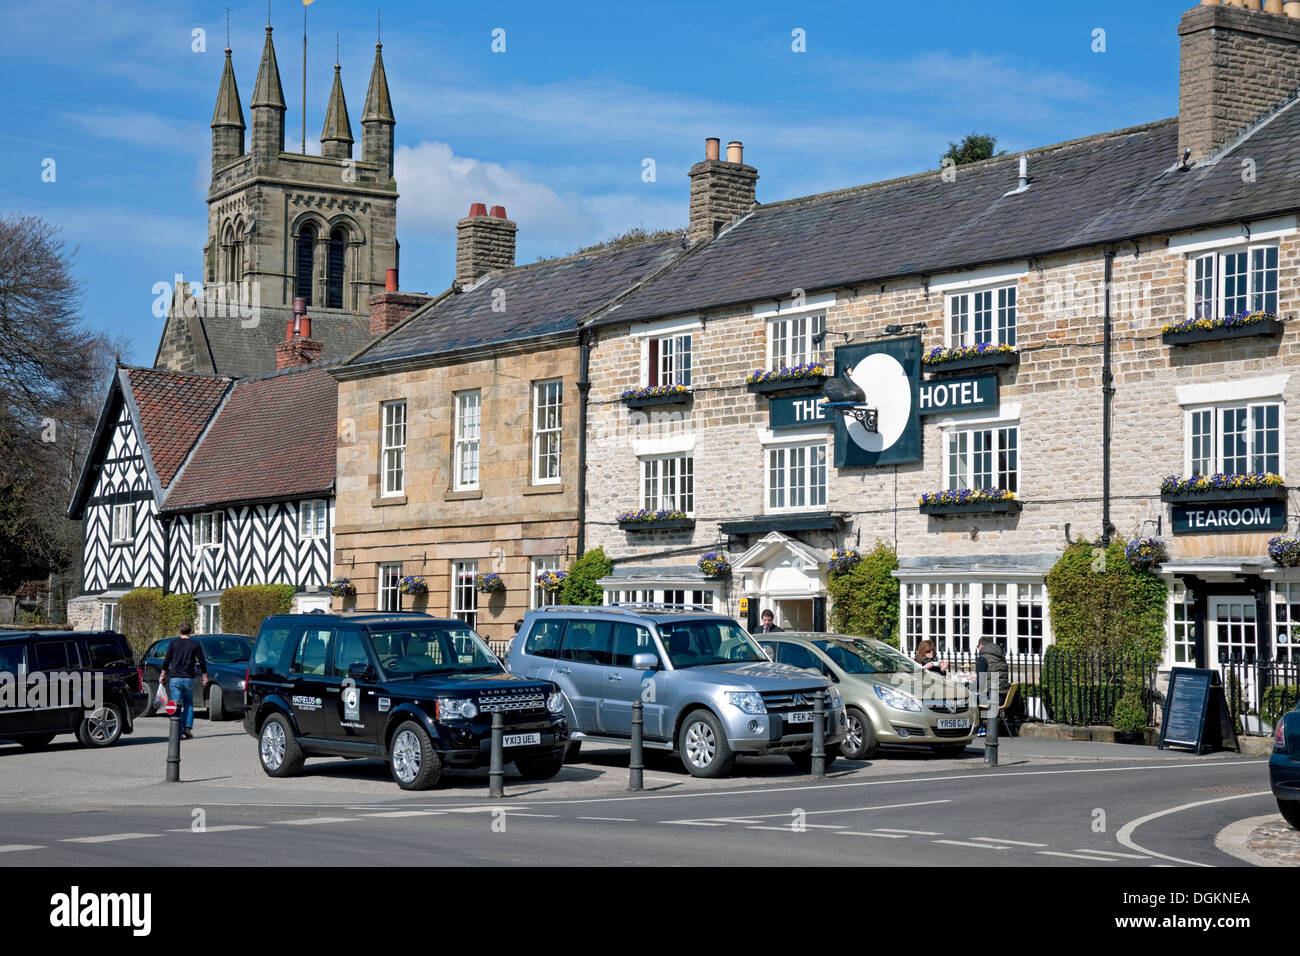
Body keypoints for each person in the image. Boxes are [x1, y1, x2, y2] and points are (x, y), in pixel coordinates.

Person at [158, 622, 208, 740]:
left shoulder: (173, 643)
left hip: (175, 678)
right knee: (189, 704)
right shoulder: (195, 644)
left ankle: (178, 730)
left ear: (180, 631)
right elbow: (202, 661)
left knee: (176, 704)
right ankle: (187, 727)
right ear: (190, 631)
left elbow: (167, 660)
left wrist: (163, 674)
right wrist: (204, 676)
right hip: (188, 678)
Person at [974, 635, 1010, 736]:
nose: (978, 649)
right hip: (1002, 697)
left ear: (981, 645)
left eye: (978, 646)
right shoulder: (1000, 657)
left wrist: (970, 682)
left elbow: (980, 684)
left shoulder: (983, 658)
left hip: (992, 698)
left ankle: (978, 728)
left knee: (969, 698)